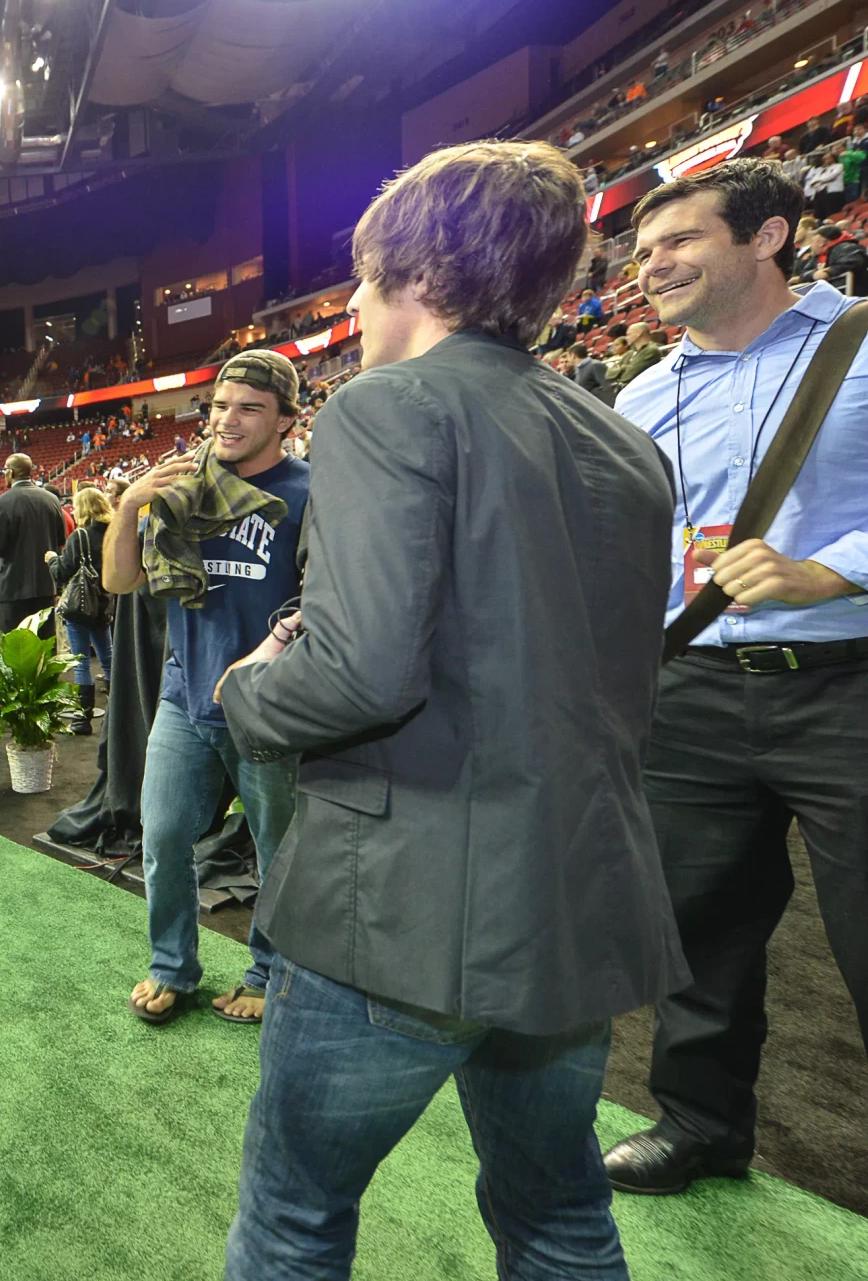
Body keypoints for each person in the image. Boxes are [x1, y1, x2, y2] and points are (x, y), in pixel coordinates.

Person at [215, 140, 684, 1277]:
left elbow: (362, 674)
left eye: (364, 281)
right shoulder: (624, 440)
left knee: (293, 1217)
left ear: (418, 276)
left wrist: (247, 693)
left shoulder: (387, 406)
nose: (354, 308)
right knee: (559, 1214)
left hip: (400, 902)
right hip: (571, 892)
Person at [604, 158, 868, 1195]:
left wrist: (830, 570)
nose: (652, 265)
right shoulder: (640, 392)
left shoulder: (859, 343)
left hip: (848, 678)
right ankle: (700, 1123)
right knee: (696, 923)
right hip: (696, 690)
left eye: (680, 241)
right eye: (643, 252)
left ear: (768, 237)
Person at [101, 350, 308, 1029]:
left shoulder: (309, 491)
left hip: (268, 707)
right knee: (162, 837)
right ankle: (172, 966)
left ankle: (268, 974)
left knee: (277, 853)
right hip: (184, 694)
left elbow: (328, 598)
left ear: (286, 419)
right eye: (219, 405)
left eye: (249, 407)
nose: (227, 419)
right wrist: (130, 505)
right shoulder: (184, 484)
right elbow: (118, 581)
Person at [49, 486, 115, 735]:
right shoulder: (114, 532)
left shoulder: (81, 536)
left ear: (84, 509)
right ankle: (116, 714)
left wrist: (52, 559)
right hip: (105, 603)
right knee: (108, 658)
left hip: (81, 606)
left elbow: (62, 571)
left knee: (81, 662)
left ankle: (82, 719)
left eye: (76, 507)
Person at [0, 452, 64, 631]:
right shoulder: (51, 499)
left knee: (12, 645)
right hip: (45, 586)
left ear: (11, 472)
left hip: (11, 587)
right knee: (44, 644)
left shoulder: (2, 502)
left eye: (4, 470)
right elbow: (60, 539)